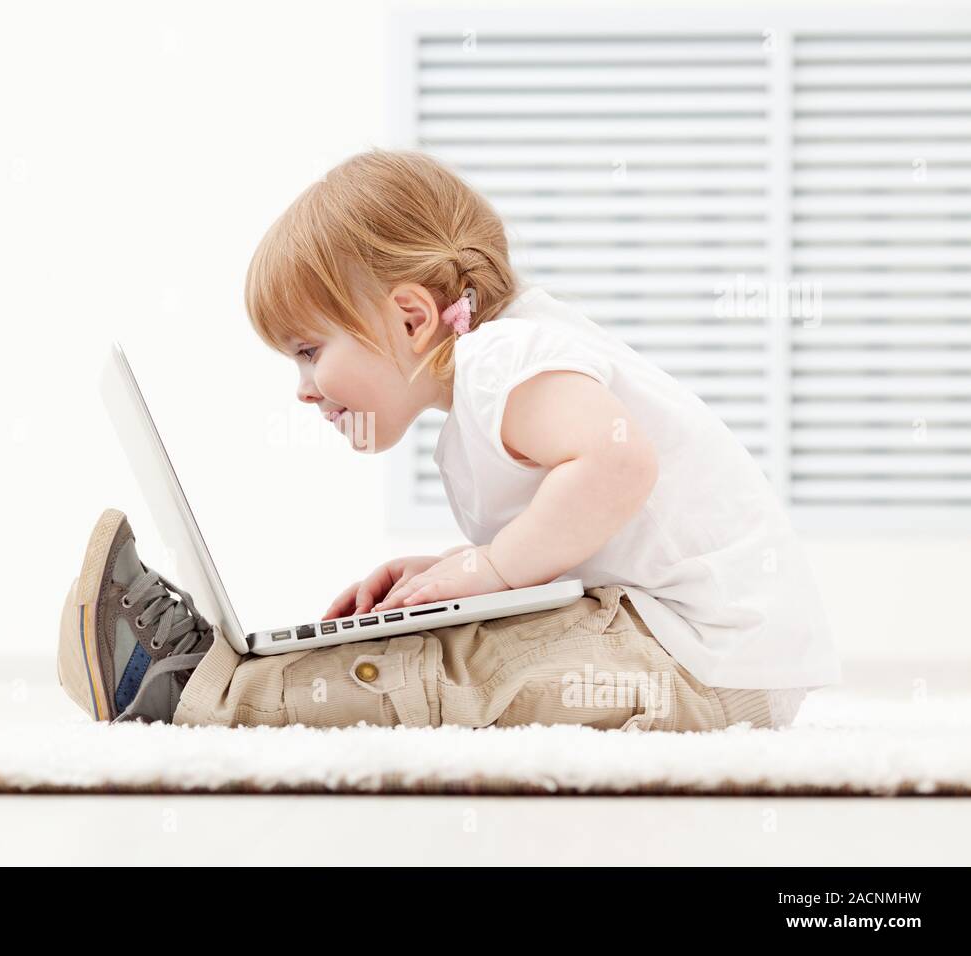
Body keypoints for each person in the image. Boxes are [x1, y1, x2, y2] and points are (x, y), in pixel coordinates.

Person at [57, 148, 842, 732]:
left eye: (308, 351)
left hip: (706, 665)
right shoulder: (494, 378)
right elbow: (589, 517)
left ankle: (206, 693)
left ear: (410, 318)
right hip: (689, 649)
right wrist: (453, 569)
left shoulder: (499, 357)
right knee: (463, 643)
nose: (302, 388)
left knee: (468, 671)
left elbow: (618, 460)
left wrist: (494, 568)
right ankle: (235, 677)